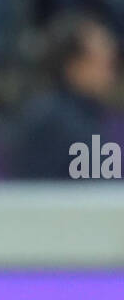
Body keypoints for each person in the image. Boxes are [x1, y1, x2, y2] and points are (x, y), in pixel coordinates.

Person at [11, 13, 122, 179]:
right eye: (105, 63)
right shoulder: (49, 119)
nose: (111, 73)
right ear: (73, 65)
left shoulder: (91, 116)